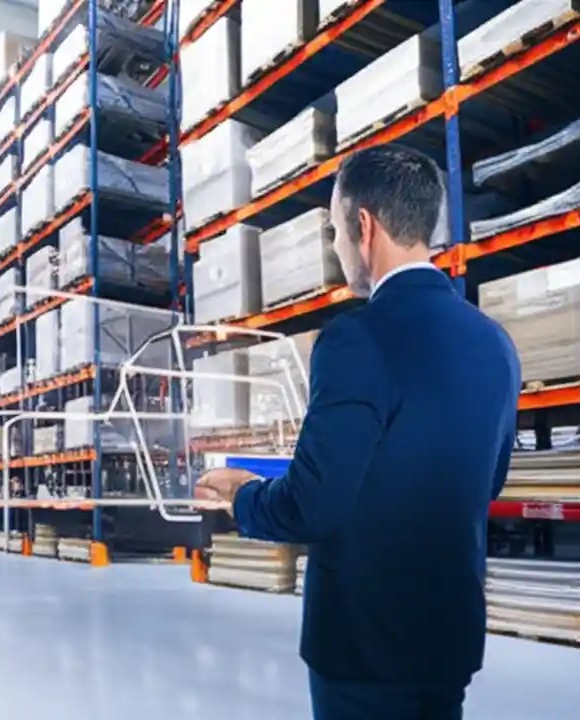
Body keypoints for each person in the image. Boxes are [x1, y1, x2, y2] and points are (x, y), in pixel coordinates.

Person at [196, 145, 521, 720]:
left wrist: (243, 495)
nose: (336, 247)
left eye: (334, 231)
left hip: (365, 646)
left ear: (364, 226)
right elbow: (484, 482)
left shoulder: (355, 339)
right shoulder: (495, 343)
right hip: (448, 636)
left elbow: (314, 505)